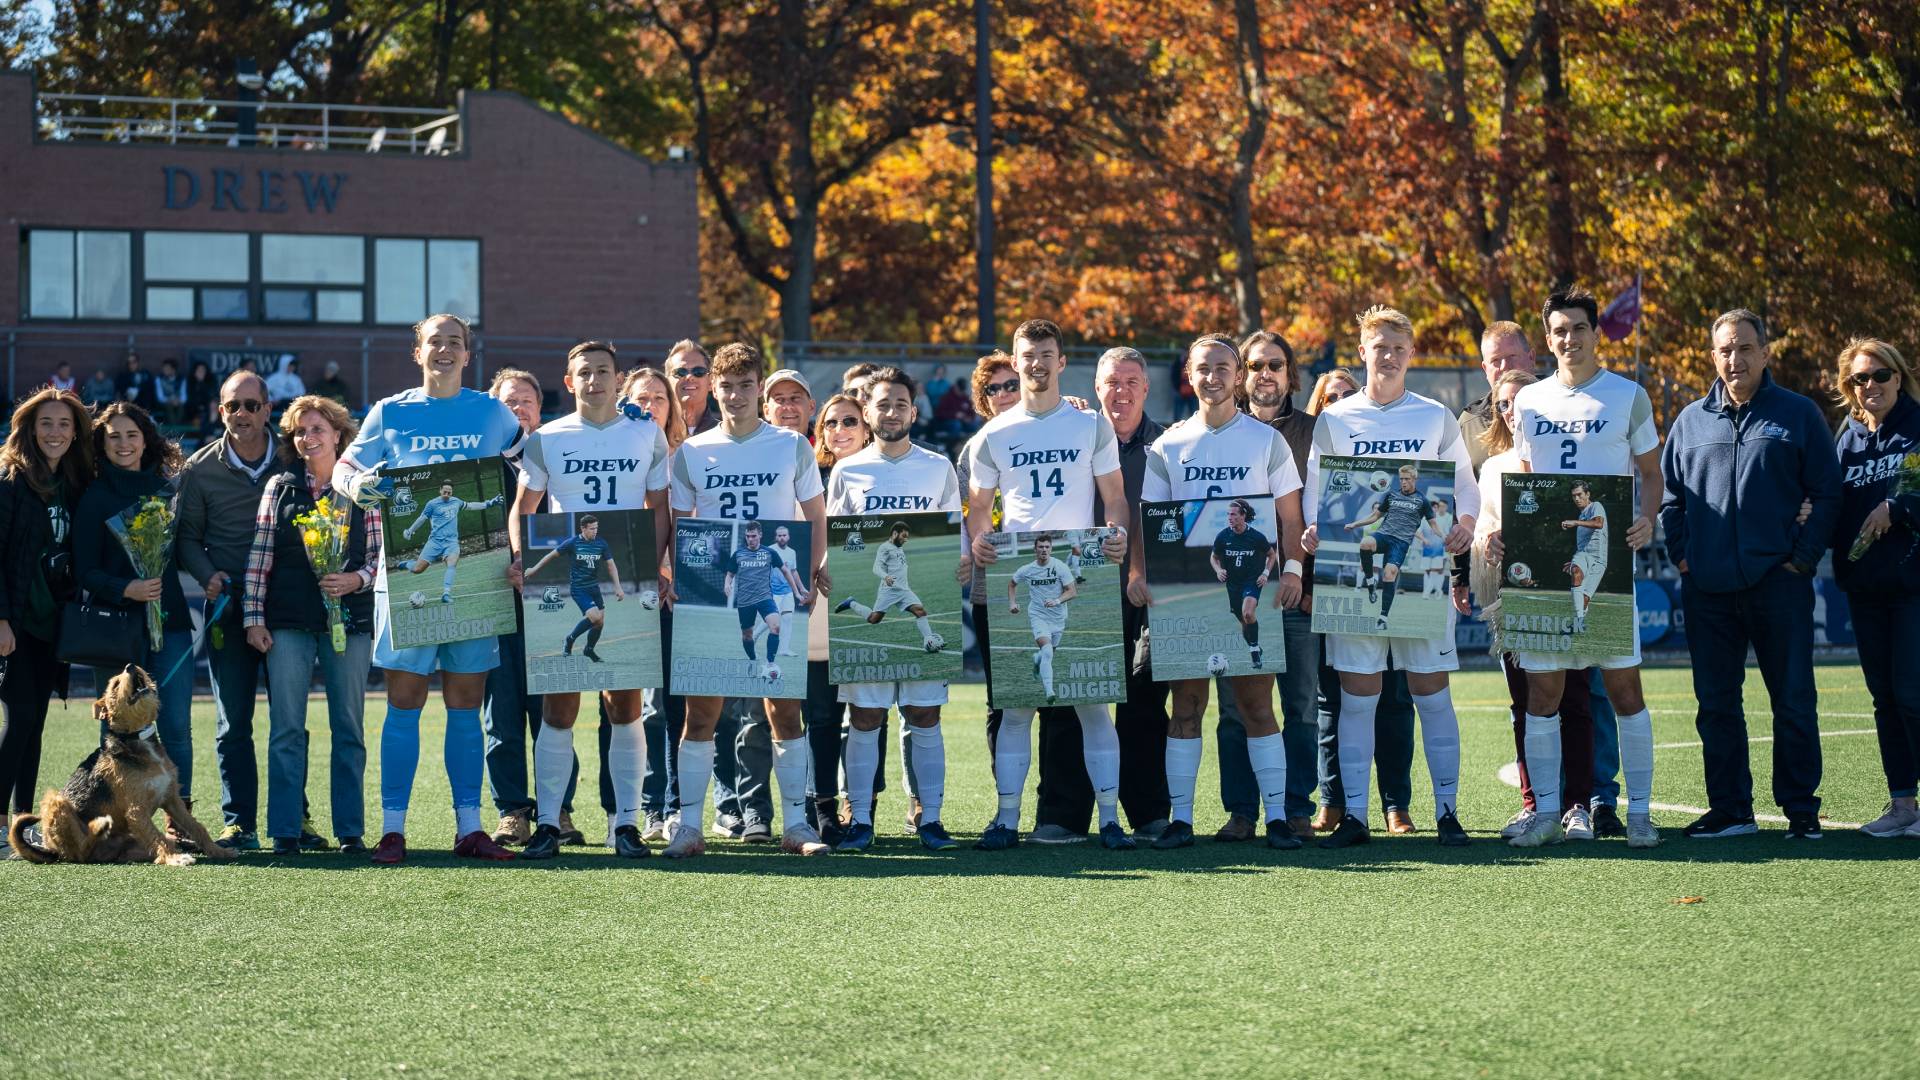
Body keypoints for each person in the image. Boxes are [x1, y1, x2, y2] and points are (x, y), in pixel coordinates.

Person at [334, 313, 525, 865]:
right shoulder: (390, 412)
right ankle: (393, 829)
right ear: (417, 352)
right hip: (402, 576)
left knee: (466, 704)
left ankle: (470, 827)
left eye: (455, 342)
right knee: (404, 701)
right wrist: (359, 485)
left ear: (469, 354)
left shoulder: (493, 414)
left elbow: (531, 475)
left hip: (479, 576)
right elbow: (347, 467)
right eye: (434, 342)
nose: (445, 350)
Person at [1660, 310, 1842, 839]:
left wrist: (1802, 559)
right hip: (1708, 589)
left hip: (1778, 584)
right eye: (1724, 350)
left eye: (1744, 349)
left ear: (1765, 354)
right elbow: (1672, 500)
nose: (1734, 360)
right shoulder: (1690, 422)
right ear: (1712, 357)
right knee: (1716, 705)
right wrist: (1685, 557)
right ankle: (1731, 810)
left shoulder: (1798, 414)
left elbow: (1828, 493)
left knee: (1792, 700)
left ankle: (1801, 810)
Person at [1496, 289, 1667, 849]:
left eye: (1578, 328)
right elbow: (1525, 478)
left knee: (1623, 690)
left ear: (1597, 333)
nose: (1569, 339)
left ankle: (1639, 814)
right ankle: (1548, 814)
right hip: (1545, 565)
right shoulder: (1530, 402)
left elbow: (1650, 471)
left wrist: (1646, 519)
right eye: (1559, 331)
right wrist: (1508, 533)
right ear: (1547, 341)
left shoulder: (1628, 395)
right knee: (1542, 694)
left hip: (1607, 561)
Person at [1304, 306, 1477, 849]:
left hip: (1425, 574)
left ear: (1411, 353)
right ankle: (1355, 817)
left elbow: (1464, 488)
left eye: (1399, 347)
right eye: (1380, 346)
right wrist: (1313, 531)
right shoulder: (1334, 419)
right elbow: (1317, 492)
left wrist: (1465, 523)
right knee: (1359, 694)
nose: (1390, 355)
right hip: (1349, 574)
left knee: (1430, 691)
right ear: (1362, 351)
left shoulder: (1434, 416)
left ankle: (1447, 813)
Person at [1134, 335, 1306, 850]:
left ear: (1239, 375)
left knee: (1256, 704)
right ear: (1189, 375)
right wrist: (1139, 575)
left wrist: (1293, 569)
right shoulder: (1169, 444)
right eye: (1203, 368)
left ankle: (1276, 819)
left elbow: (1291, 517)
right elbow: (1151, 524)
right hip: (1188, 593)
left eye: (1223, 368)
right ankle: (1181, 821)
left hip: (1257, 582)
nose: (1213, 378)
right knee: (1186, 706)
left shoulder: (1265, 440)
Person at [966, 318, 1133, 851]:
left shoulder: (1089, 425)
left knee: (1091, 702)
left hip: (1081, 571)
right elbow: (977, 512)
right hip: (1021, 571)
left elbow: (1115, 497)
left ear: (1062, 361)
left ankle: (1109, 820)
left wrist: (1119, 534)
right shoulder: (994, 433)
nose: (1036, 363)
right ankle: (1006, 820)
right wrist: (980, 541)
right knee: (1017, 706)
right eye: (1026, 355)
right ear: (1013, 362)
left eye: (1045, 354)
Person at [664, 342, 834, 858]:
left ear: (758, 389)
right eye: (726, 386)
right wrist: (671, 574)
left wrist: (809, 572)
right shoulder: (692, 450)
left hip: (778, 586)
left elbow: (816, 516)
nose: (735, 395)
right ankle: (689, 827)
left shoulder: (790, 445)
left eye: (744, 385)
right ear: (712, 390)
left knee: (784, 710)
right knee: (702, 713)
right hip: (713, 586)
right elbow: (678, 524)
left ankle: (797, 826)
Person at [508, 340, 671, 861]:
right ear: (570, 378)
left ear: (617, 378)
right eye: (585, 372)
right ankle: (550, 825)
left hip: (625, 570)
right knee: (559, 704)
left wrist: (660, 563)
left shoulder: (645, 432)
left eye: (603, 372)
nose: (594, 381)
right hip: (563, 579)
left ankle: (625, 825)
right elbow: (523, 509)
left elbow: (660, 507)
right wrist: (518, 555)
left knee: (624, 704)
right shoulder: (548, 438)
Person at [822, 372, 965, 853]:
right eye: (883, 404)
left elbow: (953, 535)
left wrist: (961, 563)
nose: (892, 412)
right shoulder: (848, 470)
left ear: (914, 410)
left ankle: (932, 819)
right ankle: (860, 820)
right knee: (865, 715)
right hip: (879, 582)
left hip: (921, 584)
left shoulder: (937, 466)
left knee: (924, 714)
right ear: (868, 411)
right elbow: (835, 538)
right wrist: (827, 568)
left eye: (901, 404)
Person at [243, 395, 378, 854]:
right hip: (287, 622)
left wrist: (357, 578)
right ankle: (285, 830)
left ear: (339, 434)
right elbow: (259, 557)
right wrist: (253, 617)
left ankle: (351, 832)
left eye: (318, 429)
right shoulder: (279, 487)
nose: (308, 438)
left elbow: (382, 556)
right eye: (300, 431)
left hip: (351, 623)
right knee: (285, 728)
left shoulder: (363, 486)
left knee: (348, 728)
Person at [73, 402, 198, 847]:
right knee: (119, 733)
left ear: (146, 439)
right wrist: (126, 588)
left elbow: (185, 551)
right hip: (116, 632)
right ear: (101, 445)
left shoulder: (169, 490)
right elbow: (82, 569)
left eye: (131, 435)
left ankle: (177, 825)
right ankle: (123, 826)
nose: (123, 444)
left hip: (172, 623)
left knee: (178, 726)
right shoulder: (92, 496)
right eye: (113, 437)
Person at [176, 369, 284, 851]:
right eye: (231, 406)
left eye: (250, 405)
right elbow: (186, 539)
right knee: (232, 721)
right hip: (229, 605)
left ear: (268, 409)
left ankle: (291, 819)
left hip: (286, 606)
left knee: (288, 721)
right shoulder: (198, 471)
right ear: (220, 411)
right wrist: (207, 576)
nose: (241, 414)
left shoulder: (295, 456)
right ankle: (239, 820)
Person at [1226, 329, 1323, 839]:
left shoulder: (1315, 432)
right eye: (1257, 365)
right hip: (1239, 595)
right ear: (1242, 375)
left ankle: (1297, 808)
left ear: (1290, 375)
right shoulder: (1222, 432)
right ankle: (1241, 811)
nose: (1266, 374)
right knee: (1235, 708)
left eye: (1276, 365)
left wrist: (1302, 577)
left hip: (1296, 592)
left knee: (1301, 706)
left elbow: (1325, 512)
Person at [483, 367, 583, 847]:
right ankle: (513, 811)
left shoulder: (563, 457)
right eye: (508, 402)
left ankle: (558, 808)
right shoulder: (478, 468)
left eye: (526, 401)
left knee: (556, 705)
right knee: (500, 709)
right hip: (497, 602)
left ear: (540, 411)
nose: (519, 409)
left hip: (556, 602)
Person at [1830, 338, 1920, 838]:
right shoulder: (1847, 440)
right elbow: (1830, 499)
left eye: (1880, 375)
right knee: (1884, 697)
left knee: (1912, 692)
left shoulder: (1916, 428)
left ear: (1899, 376)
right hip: (1865, 588)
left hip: (1912, 585)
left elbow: (1913, 489)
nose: (1871, 386)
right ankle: (1903, 804)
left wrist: (1898, 507)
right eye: (1860, 379)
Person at [0, 389, 91, 857]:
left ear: (76, 431)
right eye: (46, 423)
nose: (55, 432)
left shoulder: (73, 483)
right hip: (14, 621)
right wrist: (1, 620)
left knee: (34, 724)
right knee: (18, 722)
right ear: (30, 429)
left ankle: (23, 824)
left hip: (51, 624)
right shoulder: (11, 479)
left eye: (63, 424)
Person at [1089, 347, 1171, 840]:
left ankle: (1148, 812)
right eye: (1111, 382)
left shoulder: (1169, 445)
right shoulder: (1076, 440)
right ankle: (1065, 815)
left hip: (1149, 596)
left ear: (1146, 388)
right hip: (1087, 592)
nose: (1120, 392)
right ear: (1096, 388)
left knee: (1144, 705)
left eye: (1130, 382)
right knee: (1079, 704)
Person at [808, 392, 875, 840]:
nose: (840, 430)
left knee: (869, 712)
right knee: (823, 715)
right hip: (818, 607)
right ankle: (823, 808)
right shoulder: (807, 474)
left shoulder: (881, 471)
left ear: (866, 426)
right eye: (831, 423)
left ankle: (864, 806)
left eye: (850, 420)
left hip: (866, 604)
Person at [1459, 322, 1538, 474]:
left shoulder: (1559, 406)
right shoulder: (1469, 424)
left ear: (1531, 357)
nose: (1504, 366)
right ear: (1485, 368)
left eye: (1512, 356)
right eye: (1495, 360)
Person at [667, 340, 718, 436]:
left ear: (711, 383)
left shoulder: (726, 436)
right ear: (667, 383)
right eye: (680, 372)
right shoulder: (653, 434)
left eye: (699, 371)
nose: (689, 377)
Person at [185, 360, 219, 436]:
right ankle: (207, 437)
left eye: (203, 370)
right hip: (193, 411)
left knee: (213, 408)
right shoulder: (190, 382)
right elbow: (191, 399)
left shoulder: (210, 381)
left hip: (207, 411)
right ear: (195, 371)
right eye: (199, 370)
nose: (201, 372)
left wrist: (202, 383)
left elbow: (211, 396)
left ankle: (209, 436)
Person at [155, 359, 188, 427]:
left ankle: (177, 429)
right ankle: (175, 430)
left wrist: (178, 401)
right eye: (164, 368)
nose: (164, 370)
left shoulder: (181, 379)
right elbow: (160, 397)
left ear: (173, 370)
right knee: (169, 406)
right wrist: (170, 400)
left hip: (178, 403)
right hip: (164, 404)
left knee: (181, 407)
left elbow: (184, 397)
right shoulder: (159, 379)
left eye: (167, 368)